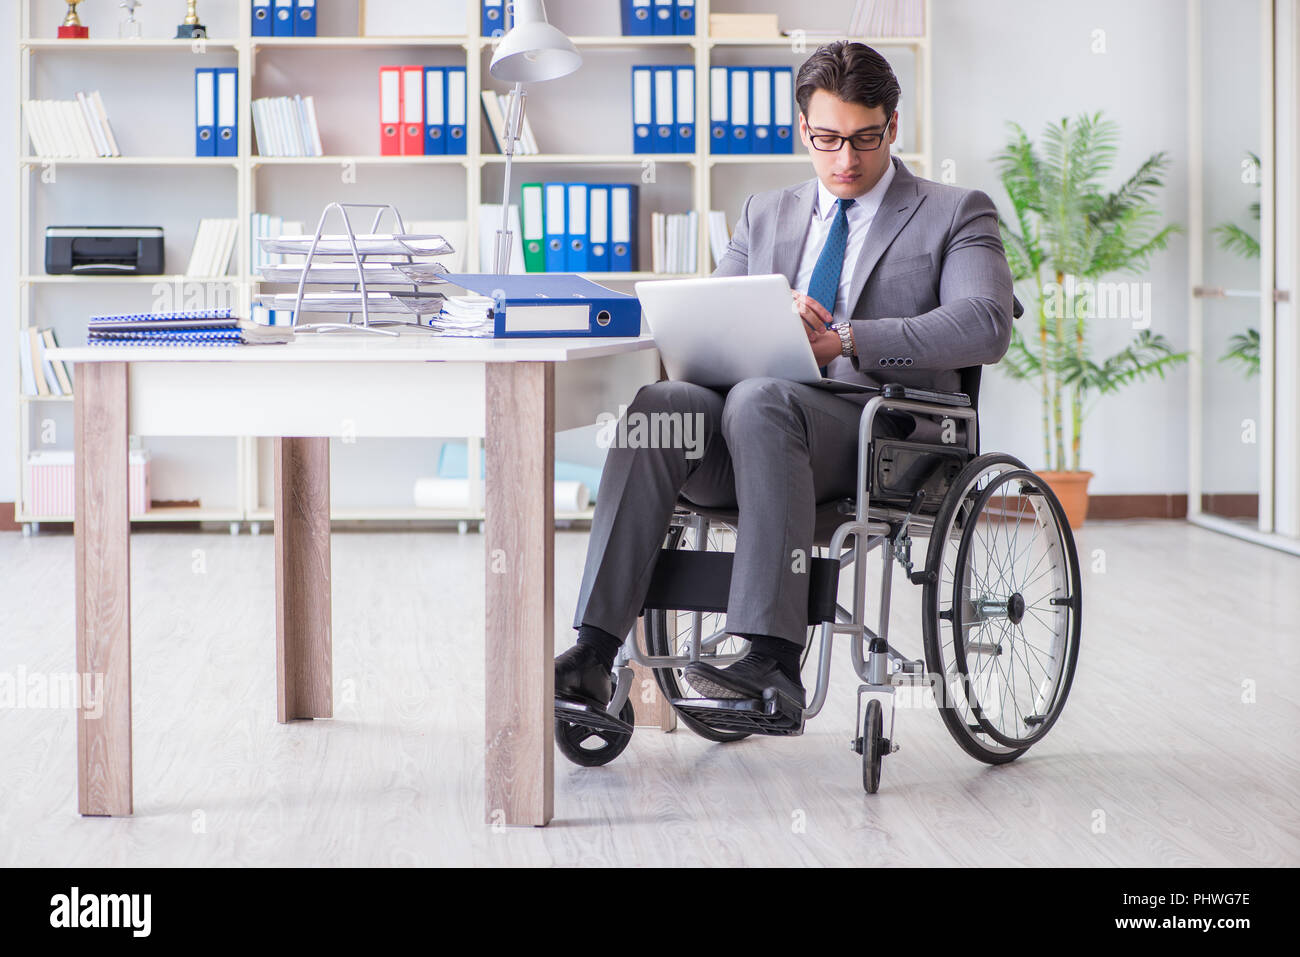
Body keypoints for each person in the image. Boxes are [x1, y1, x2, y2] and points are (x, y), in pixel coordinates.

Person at [555, 40, 1015, 724]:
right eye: (827, 139)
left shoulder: (953, 211)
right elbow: (710, 326)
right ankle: (593, 652)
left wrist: (849, 337)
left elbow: (984, 322)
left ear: (893, 124)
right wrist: (770, 318)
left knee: (759, 399)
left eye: (864, 138)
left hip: (875, 435)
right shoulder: (766, 214)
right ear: (803, 129)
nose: (846, 159)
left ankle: (771, 658)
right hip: (752, 432)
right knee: (663, 404)